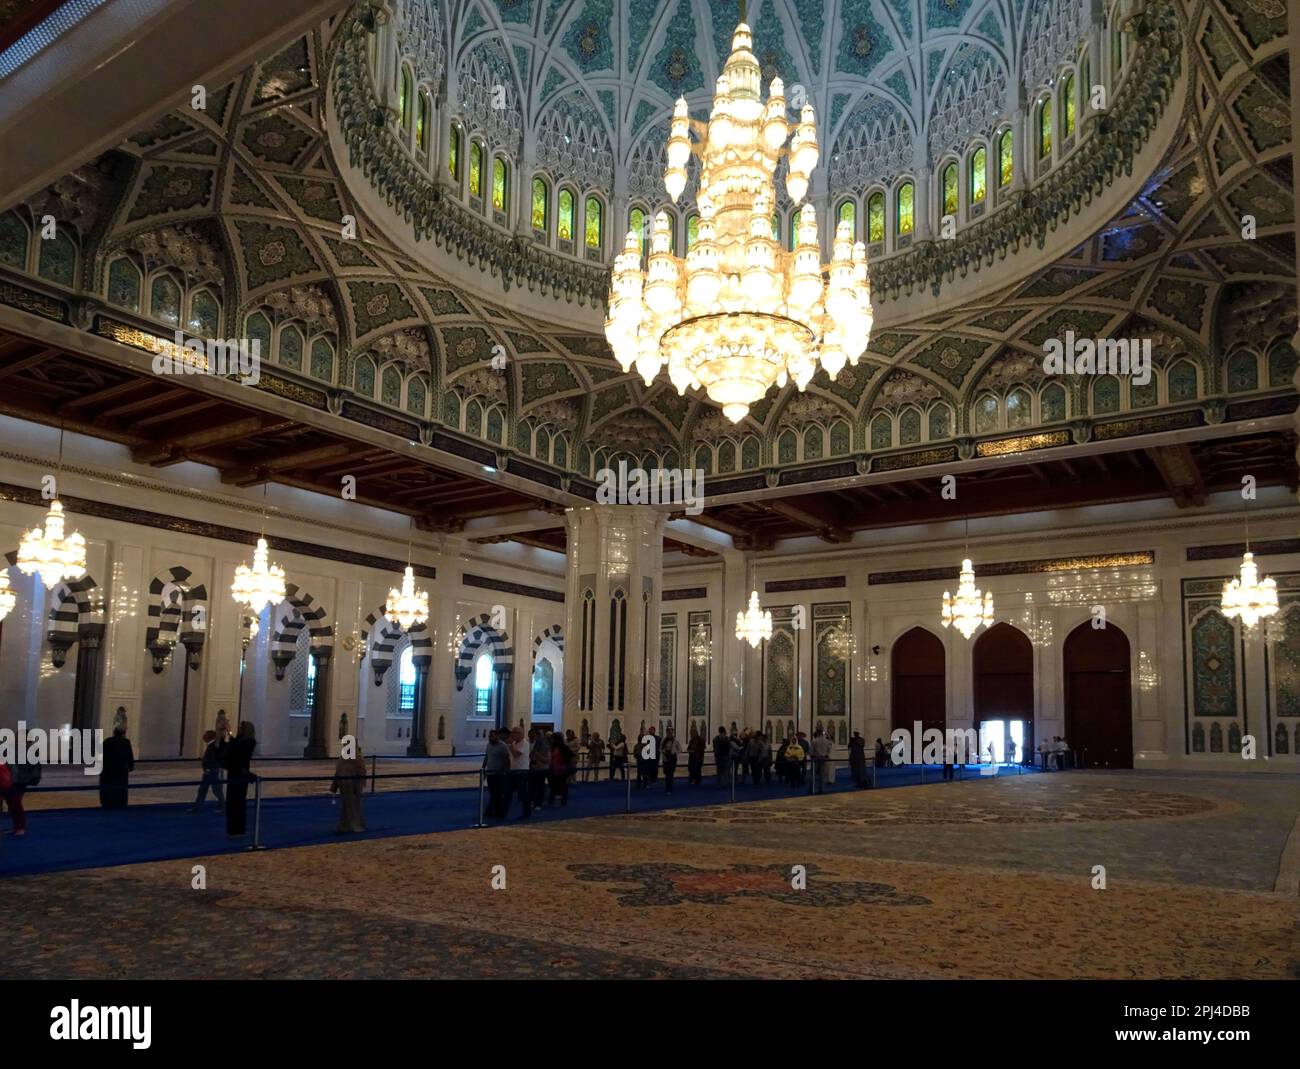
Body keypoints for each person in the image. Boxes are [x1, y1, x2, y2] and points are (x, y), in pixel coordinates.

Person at [223, 721, 257, 836]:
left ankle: (239, 828)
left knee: (239, 801)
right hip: (233, 772)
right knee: (231, 801)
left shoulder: (250, 742)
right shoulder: (240, 740)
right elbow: (233, 747)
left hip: (240, 774)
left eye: (241, 727)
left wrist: (230, 734)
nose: (239, 728)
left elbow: (238, 752)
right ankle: (232, 828)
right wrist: (229, 734)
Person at [329, 745, 367, 833]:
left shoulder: (344, 758)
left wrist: (333, 787)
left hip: (346, 785)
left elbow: (337, 772)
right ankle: (353, 825)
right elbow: (362, 772)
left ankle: (347, 825)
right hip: (351, 786)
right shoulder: (357, 758)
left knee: (347, 806)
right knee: (353, 805)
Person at [99, 725, 135, 809]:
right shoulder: (125, 742)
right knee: (120, 787)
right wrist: (131, 766)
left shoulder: (107, 741)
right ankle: (120, 803)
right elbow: (129, 756)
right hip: (121, 769)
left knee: (108, 786)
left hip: (108, 769)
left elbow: (101, 754)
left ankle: (107, 802)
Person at [189, 730, 225, 812]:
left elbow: (214, 759)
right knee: (203, 790)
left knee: (216, 790)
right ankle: (197, 807)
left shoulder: (212, 746)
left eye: (205, 735)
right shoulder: (211, 746)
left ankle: (223, 807)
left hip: (211, 771)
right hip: (208, 772)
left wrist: (209, 768)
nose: (203, 736)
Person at [482, 729, 510, 819]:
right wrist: (483, 768)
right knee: (493, 794)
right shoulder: (488, 745)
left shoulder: (503, 746)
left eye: (492, 736)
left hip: (499, 774)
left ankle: (494, 811)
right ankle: (494, 811)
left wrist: (505, 771)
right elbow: (486, 757)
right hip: (490, 773)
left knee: (497, 794)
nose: (490, 738)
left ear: (497, 736)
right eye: (489, 736)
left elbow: (506, 759)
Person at [508, 726, 531, 819]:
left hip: (522, 772)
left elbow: (516, 754)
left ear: (519, 734)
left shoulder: (524, 743)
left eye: (513, 733)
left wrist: (510, 746)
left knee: (523, 793)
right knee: (508, 792)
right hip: (513, 771)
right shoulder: (514, 743)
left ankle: (526, 812)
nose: (512, 735)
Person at [528, 727, 550, 806]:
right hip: (534, 768)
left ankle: (538, 803)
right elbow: (531, 755)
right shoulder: (536, 745)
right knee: (532, 786)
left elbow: (547, 759)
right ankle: (532, 800)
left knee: (540, 786)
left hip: (542, 769)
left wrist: (538, 756)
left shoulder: (546, 746)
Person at [548, 732, 571, 806]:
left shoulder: (562, 747)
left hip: (561, 769)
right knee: (554, 785)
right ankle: (552, 800)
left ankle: (562, 801)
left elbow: (568, 756)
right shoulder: (555, 746)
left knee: (562, 785)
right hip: (555, 769)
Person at [810, 729, 831, 793]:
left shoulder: (814, 740)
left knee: (814, 774)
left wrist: (812, 756)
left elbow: (811, 751)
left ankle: (814, 788)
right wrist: (826, 755)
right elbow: (828, 750)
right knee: (822, 774)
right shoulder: (827, 741)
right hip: (824, 758)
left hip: (816, 758)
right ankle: (821, 789)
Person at [661, 726, 681, 794]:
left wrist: (674, 752)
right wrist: (664, 752)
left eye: (671, 732)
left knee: (671, 775)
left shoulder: (675, 741)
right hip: (665, 759)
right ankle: (667, 788)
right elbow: (660, 749)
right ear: (666, 732)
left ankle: (669, 789)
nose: (670, 733)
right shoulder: (663, 741)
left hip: (672, 760)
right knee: (667, 775)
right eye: (668, 732)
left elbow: (680, 749)